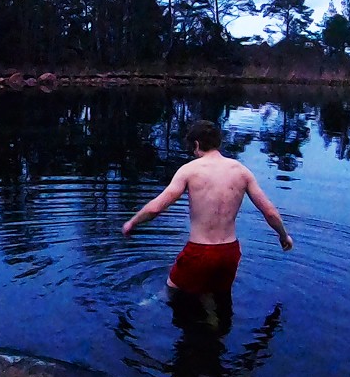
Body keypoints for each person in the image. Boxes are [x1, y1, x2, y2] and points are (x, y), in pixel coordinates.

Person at [122, 119, 293, 309]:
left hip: (199, 251)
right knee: (216, 296)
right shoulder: (242, 171)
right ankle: (214, 324)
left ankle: (144, 307)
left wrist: (132, 223)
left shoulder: (189, 170)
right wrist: (283, 235)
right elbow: (269, 211)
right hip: (229, 252)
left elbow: (156, 208)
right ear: (218, 143)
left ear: (196, 145)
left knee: (171, 290)